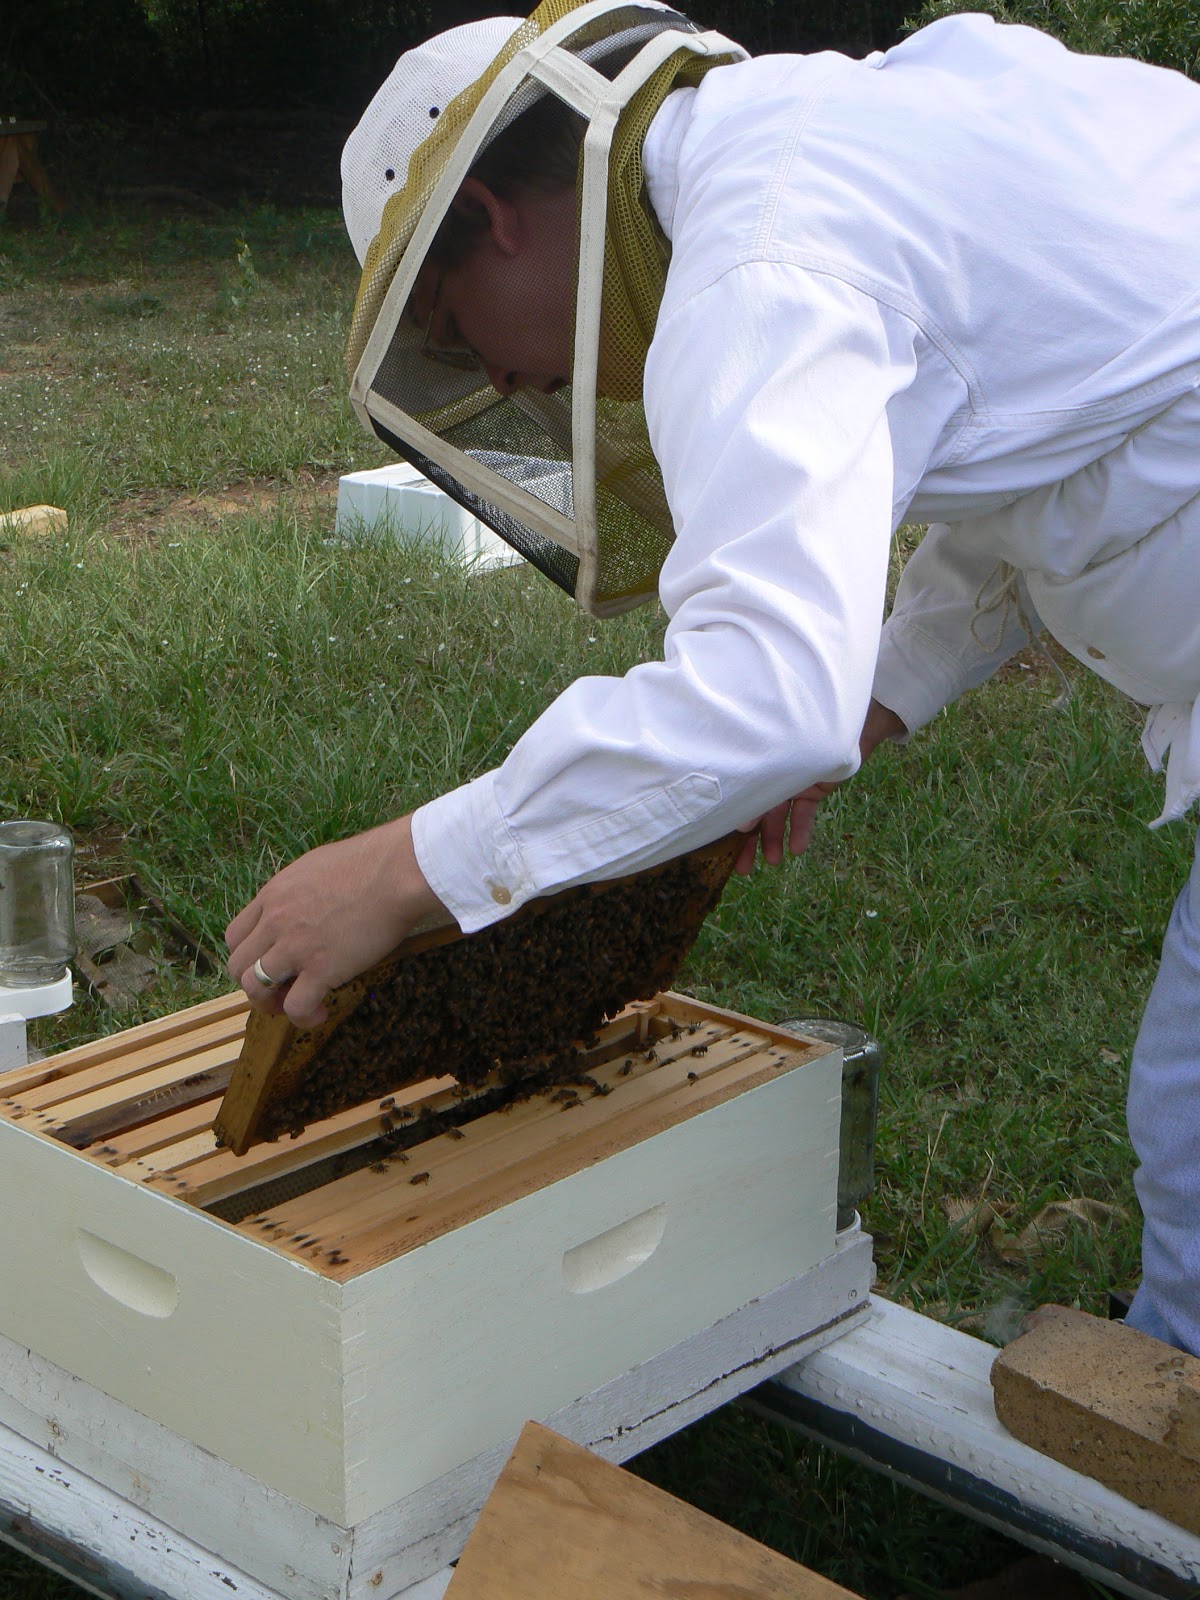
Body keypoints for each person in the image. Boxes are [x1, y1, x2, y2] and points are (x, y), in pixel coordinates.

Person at [225, 2, 1200, 1355]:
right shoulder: (844, 136)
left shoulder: (763, 259)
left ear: (498, 220)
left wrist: (400, 869)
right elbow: (1043, 452)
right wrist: (874, 692)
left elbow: (761, 696)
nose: (501, 374)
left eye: (459, 329)